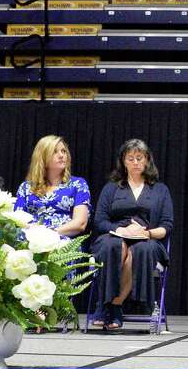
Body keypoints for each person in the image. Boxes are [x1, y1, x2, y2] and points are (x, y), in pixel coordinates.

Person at [88, 139, 173, 331]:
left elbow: (167, 226)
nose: (135, 162)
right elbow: (100, 221)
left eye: (139, 158)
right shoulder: (112, 188)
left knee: (139, 250)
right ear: (123, 161)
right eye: (130, 158)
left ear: (147, 161)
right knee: (114, 246)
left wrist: (147, 233)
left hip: (147, 239)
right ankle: (111, 306)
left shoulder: (160, 190)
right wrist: (121, 231)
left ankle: (110, 304)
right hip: (114, 234)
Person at [13, 135, 91, 235]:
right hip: (30, 240)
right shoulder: (26, 187)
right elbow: (17, 220)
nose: (61, 155)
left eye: (63, 151)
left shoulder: (78, 185)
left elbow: (80, 223)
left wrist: (50, 234)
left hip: (64, 242)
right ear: (42, 157)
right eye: (55, 152)